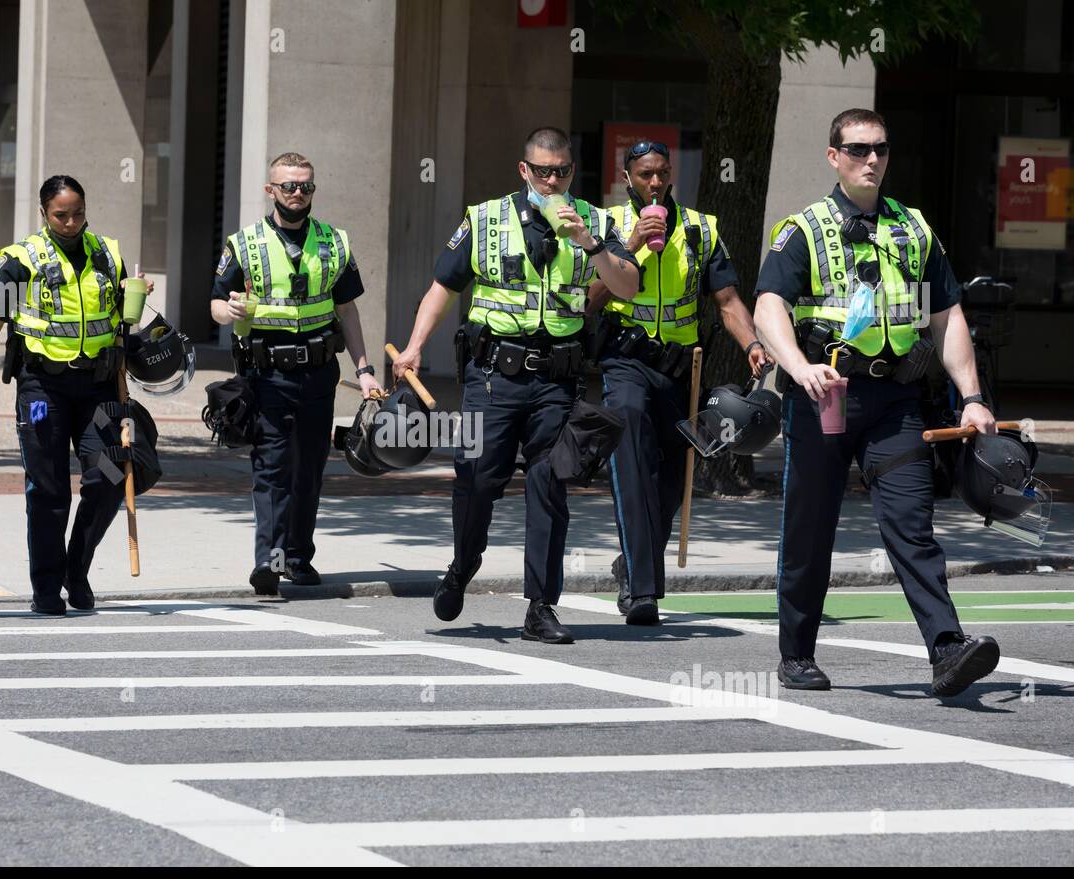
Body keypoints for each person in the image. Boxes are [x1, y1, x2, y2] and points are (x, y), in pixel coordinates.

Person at [753, 107, 1000, 697]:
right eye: (859, 149)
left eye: (881, 149)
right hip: (827, 396)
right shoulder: (804, 229)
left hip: (896, 400)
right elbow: (768, 306)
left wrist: (972, 398)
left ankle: (947, 649)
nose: (871, 160)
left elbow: (947, 317)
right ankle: (796, 654)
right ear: (833, 156)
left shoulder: (914, 229)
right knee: (810, 527)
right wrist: (798, 367)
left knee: (912, 525)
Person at [393, 127, 640, 644]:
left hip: (558, 380)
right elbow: (443, 285)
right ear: (524, 170)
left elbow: (627, 285)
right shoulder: (484, 219)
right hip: (492, 379)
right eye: (544, 171)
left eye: (563, 171)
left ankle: (541, 605)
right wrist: (415, 346)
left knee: (549, 486)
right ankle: (463, 565)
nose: (553, 181)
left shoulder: (595, 220)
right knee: (477, 479)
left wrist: (590, 245)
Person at [587, 140, 771, 625]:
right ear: (627, 178)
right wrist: (626, 248)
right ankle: (643, 589)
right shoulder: (604, 226)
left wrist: (752, 344)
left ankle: (632, 560)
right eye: (645, 174)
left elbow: (727, 300)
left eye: (662, 173)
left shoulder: (699, 229)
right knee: (631, 462)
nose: (654, 182)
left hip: (681, 369)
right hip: (625, 362)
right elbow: (587, 300)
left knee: (671, 483)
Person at [0, 174, 150, 614]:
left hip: (99, 386)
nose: (70, 222)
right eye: (60, 215)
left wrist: (135, 296)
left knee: (107, 478)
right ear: (44, 214)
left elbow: (123, 318)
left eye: (78, 213)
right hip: (42, 387)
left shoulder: (107, 254)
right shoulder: (21, 260)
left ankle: (76, 569)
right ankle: (46, 587)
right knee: (48, 489)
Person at [210, 151, 380, 595]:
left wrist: (364, 371)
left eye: (306, 186)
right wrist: (227, 310)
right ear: (271, 190)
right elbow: (213, 302)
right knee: (271, 467)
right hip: (267, 377)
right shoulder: (244, 244)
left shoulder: (334, 242)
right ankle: (269, 559)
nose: (298, 193)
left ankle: (299, 558)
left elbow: (348, 310)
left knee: (309, 470)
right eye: (289, 186)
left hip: (319, 373)